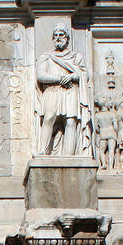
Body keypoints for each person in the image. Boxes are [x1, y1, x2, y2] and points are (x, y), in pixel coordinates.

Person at [35, 27, 92, 157]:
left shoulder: (76, 57)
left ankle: (69, 155)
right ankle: (44, 150)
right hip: (52, 90)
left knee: (71, 121)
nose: (58, 38)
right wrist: (59, 78)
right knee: (49, 118)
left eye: (61, 35)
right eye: (55, 35)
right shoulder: (46, 57)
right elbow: (40, 76)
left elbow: (84, 75)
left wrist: (72, 76)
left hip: (71, 91)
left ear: (67, 38)